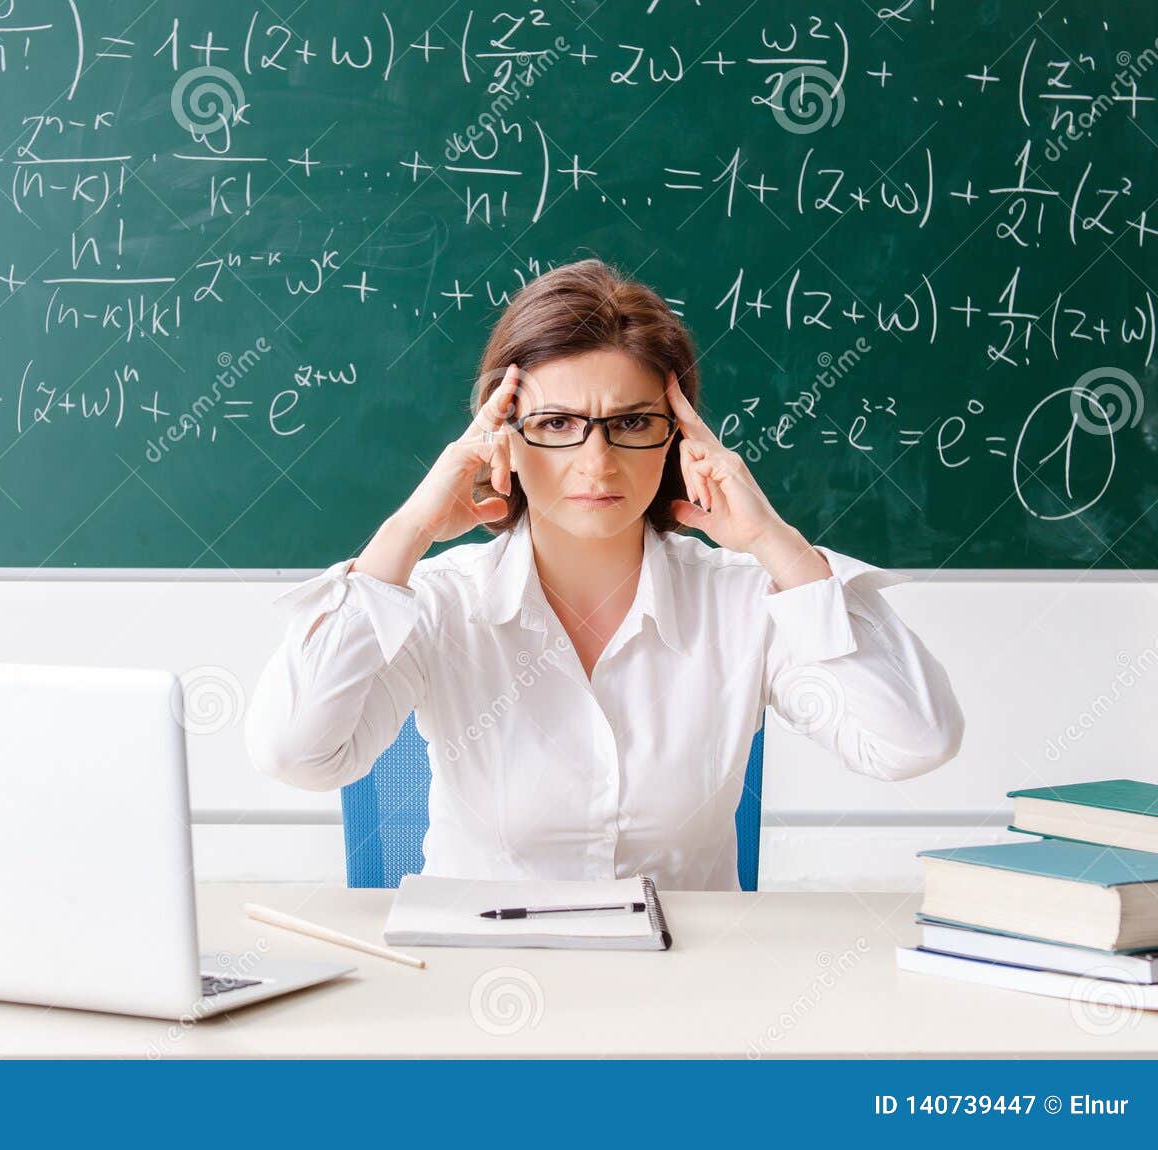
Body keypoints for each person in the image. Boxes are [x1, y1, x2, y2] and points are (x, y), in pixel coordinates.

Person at [243, 259, 964, 889]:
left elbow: (913, 743)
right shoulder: (441, 604)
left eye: (631, 423)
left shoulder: (741, 602)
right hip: (479, 985)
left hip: (684, 997)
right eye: (556, 424)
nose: (597, 462)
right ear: (505, 441)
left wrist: (777, 545)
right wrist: (410, 531)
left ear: (678, 439)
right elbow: (297, 754)